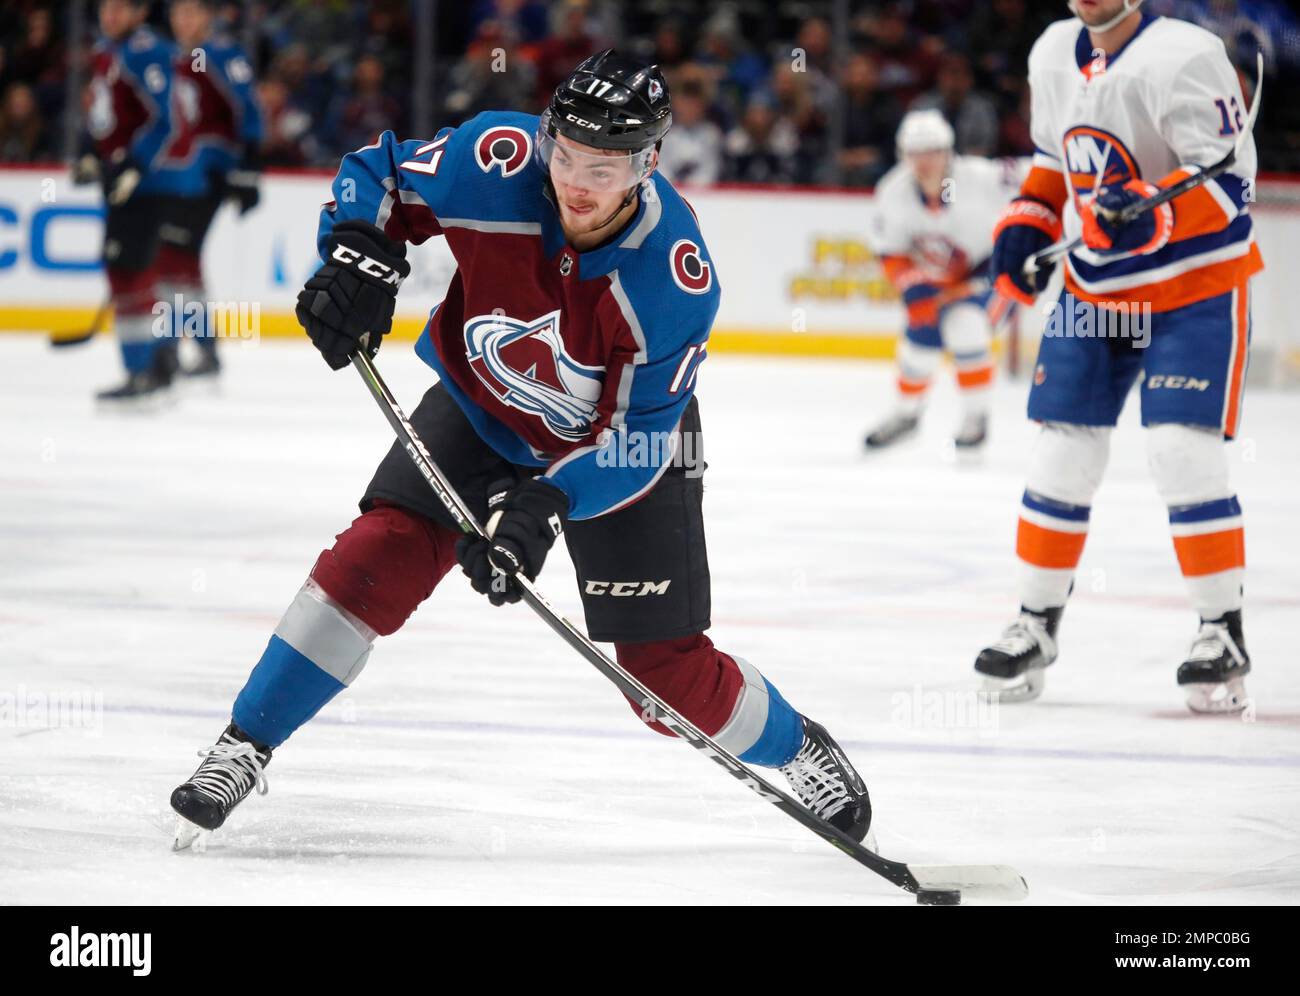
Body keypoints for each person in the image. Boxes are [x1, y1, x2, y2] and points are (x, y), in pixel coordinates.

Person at [168, 51, 872, 850]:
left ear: (646, 165)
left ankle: (798, 747)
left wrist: (544, 503)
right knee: (376, 557)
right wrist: (355, 250)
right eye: (565, 152)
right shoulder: (495, 158)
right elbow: (382, 173)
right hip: (482, 410)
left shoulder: (674, 278)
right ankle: (244, 743)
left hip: (616, 457)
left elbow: (639, 437)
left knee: (661, 677)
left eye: (603, 168)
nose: (576, 180)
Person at [974, 0, 1263, 712]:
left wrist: (1154, 210)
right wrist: (1027, 222)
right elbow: (1053, 163)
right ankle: (1036, 622)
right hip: (1095, 290)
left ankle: (1220, 630)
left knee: (1179, 450)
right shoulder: (1050, 51)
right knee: (1060, 455)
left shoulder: (1189, 55)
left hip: (1194, 287)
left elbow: (1230, 185)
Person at [863, 110, 1019, 452]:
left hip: (993, 271)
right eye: (915, 153)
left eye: (932, 151)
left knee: (966, 327)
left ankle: (975, 418)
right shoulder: (892, 191)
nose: (924, 162)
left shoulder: (985, 177)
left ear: (949, 151)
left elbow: (1043, 177)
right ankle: (906, 415)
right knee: (918, 348)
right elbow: (891, 253)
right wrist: (914, 290)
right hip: (938, 280)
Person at [73, 0, 181, 403]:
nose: (110, 15)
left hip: (144, 184)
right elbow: (104, 115)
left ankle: (141, 369)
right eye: (106, 7)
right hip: (122, 178)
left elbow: (164, 119)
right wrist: (90, 151)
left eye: (120, 8)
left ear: (139, 13)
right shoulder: (107, 50)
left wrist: (134, 165)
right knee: (135, 271)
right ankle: (161, 359)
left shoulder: (144, 50)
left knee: (127, 273)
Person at [160, 0, 262, 378]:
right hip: (177, 175)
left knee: (174, 255)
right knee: (175, 259)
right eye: (178, 14)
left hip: (210, 175)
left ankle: (177, 346)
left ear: (207, 17)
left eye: (191, 14)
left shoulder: (220, 54)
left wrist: (247, 168)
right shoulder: (172, 58)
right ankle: (193, 347)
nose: (183, 22)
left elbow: (247, 110)